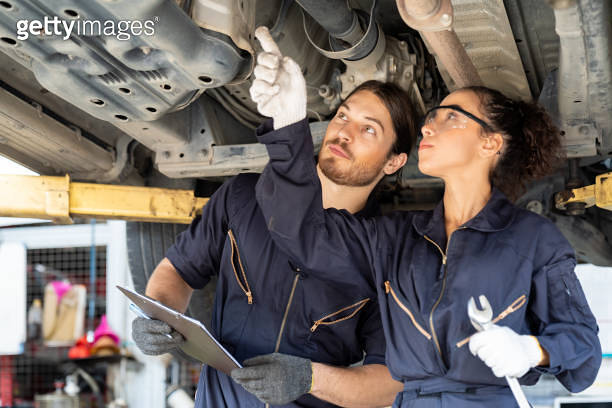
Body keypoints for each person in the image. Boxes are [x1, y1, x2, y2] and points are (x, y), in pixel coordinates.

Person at [241, 27, 602, 408]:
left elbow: (584, 354)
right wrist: (288, 124)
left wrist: (531, 351)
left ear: (490, 143)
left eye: (452, 118)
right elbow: (302, 233)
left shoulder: (534, 239)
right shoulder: (395, 238)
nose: (429, 125)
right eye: (433, 116)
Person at [131, 29, 420, 408]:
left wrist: (311, 378)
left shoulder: (384, 256)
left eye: (368, 129)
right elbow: (178, 270)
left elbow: (387, 383)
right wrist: (158, 314)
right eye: (343, 116)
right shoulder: (242, 197)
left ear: (395, 161)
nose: (344, 132)